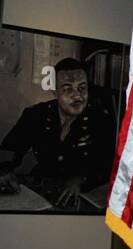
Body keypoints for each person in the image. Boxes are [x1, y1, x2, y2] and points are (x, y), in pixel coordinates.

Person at [0, 57, 115, 208]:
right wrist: (4, 170)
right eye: (67, 89)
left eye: (82, 88)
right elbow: (10, 149)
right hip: (41, 194)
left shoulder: (100, 119)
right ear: (54, 91)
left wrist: (81, 179)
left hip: (82, 199)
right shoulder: (36, 114)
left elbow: (108, 164)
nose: (77, 96)